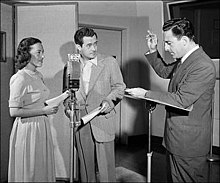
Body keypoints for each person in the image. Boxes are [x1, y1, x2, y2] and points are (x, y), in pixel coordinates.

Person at [126, 18, 216, 182]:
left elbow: (182, 100)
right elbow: (165, 71)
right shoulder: (186, 60)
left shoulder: (202, 65)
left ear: (184, 40)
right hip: (177, 139)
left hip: (188, 145)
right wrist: (153, 50)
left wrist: (145, 94)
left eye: (169, 43)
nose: (166, 48)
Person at [63, 27, 126, 182]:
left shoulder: (109, 62)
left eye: (95, 44)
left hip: (102, 119)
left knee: (106, 170)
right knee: (85, 167)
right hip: (81, 120)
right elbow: (67, 94)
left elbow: (120, 87)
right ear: (78, 47)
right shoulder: (71, 65)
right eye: (89, 45)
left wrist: (108, 101)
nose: (94, 48)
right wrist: (68, 109)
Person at [8, 37, 60, 182]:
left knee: (41, 169)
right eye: (38, 52)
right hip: (27, 129)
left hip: (41, 127)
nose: (42, 56)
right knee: (29, 171)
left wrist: (51, 104)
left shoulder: (38, 75)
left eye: (43, 52)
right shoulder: (19, 78)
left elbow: (37, 102)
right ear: (27, 54)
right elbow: (14, 111)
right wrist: (44, 111)